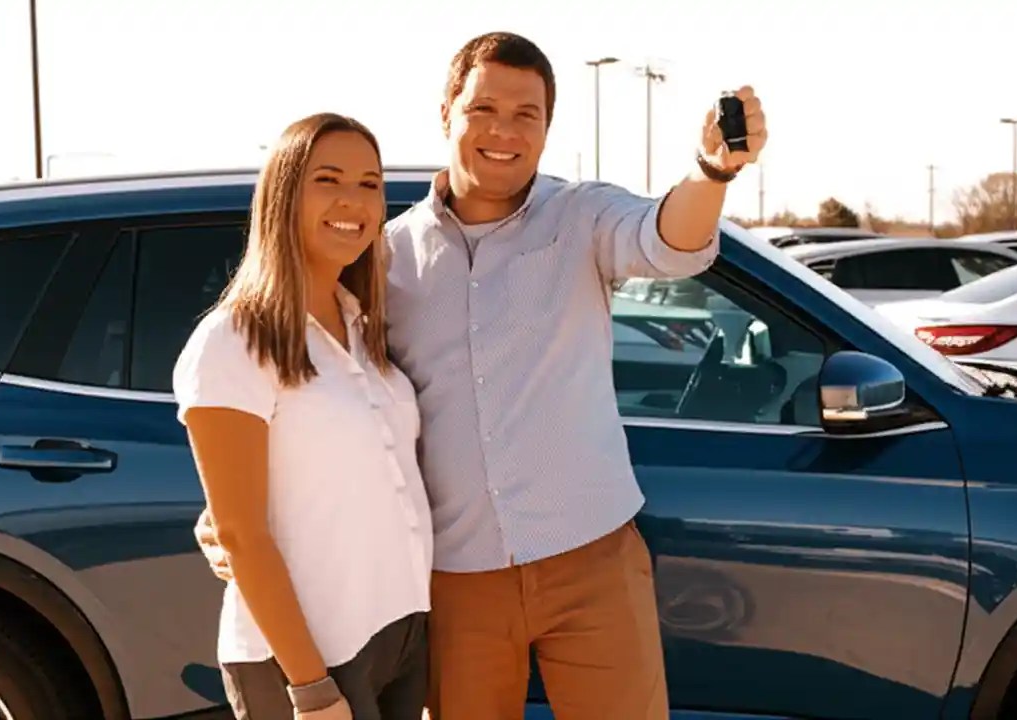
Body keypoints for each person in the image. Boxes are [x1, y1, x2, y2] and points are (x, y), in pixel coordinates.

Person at [197, 31, 767, 720]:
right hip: (455, 579)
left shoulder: (582, 217)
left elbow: (668, 240)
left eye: (526, 114)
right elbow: (318, 384)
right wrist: (232, 516)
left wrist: (712, 171)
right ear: (447, 114)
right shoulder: (384, 261)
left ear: (547, 129)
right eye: (484, 108)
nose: (504, 130)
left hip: (591, 557)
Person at [173, 112, 432, 720]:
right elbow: (240, 534)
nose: (354, 201)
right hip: (304, 659)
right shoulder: (233, 341)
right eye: (329, 180)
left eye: (370, 184)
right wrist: (311, 689)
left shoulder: (364, 328)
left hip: (397, 635)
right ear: (284, 195)